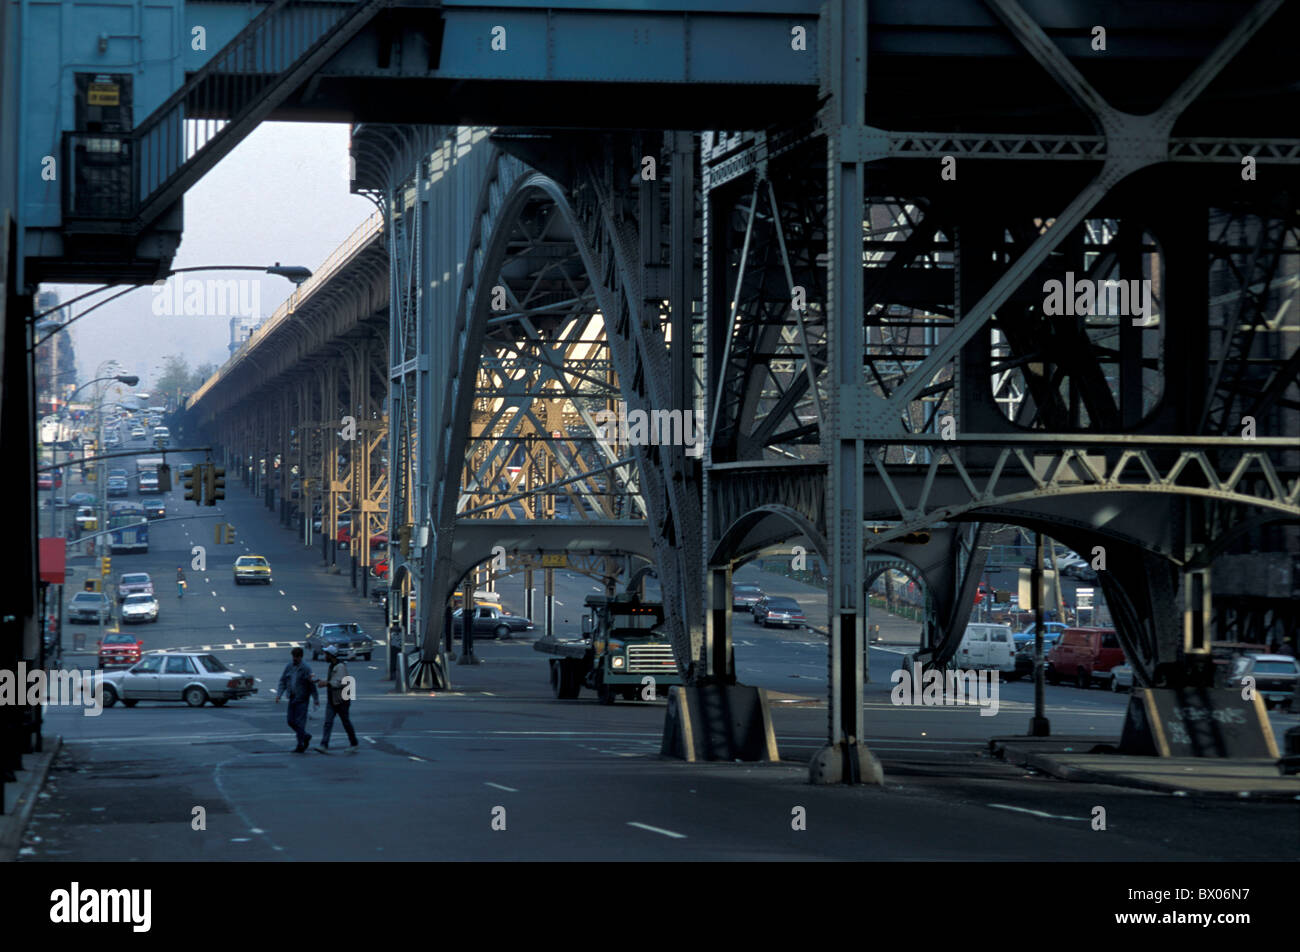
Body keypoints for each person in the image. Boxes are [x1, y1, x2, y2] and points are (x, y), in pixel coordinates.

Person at [315, 644, 359, 751]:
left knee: (345, 722)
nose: (324, 656)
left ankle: (354, 743)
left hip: (341, 700)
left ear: (330, 655)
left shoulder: (340, 667)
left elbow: (339, 682)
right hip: (333, 699)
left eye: (326, 654)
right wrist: (321, 681)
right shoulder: (332, 666)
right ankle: (324, 745)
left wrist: (326, 683)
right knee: (328, 722)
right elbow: (333, 680)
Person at [275, 646, 318, 752]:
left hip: (302, 698)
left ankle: (300, 745)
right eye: (293, 656)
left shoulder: (306, 668)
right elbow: (283, 681)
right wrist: (279, 694)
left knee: (300, 722)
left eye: (297, 657)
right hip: (292, 697)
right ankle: (305, 736)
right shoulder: (289, 666)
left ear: (301, 657)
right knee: (290, 721)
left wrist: (315, 698)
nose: (294, 659)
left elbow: (312, 685)